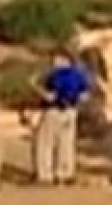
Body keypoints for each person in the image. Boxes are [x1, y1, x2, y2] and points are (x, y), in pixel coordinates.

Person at [32, 52, 90, 185]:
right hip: (71, 112)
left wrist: (35, 87)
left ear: (63, 59)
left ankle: (45, 175)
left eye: (55, 59)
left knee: (44, 144)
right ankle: (65, 173)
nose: (53, 62)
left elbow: (50, 97)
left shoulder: (55, 76)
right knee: (66, 144)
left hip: (54, 111)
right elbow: (85, 96)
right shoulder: (78, 75)